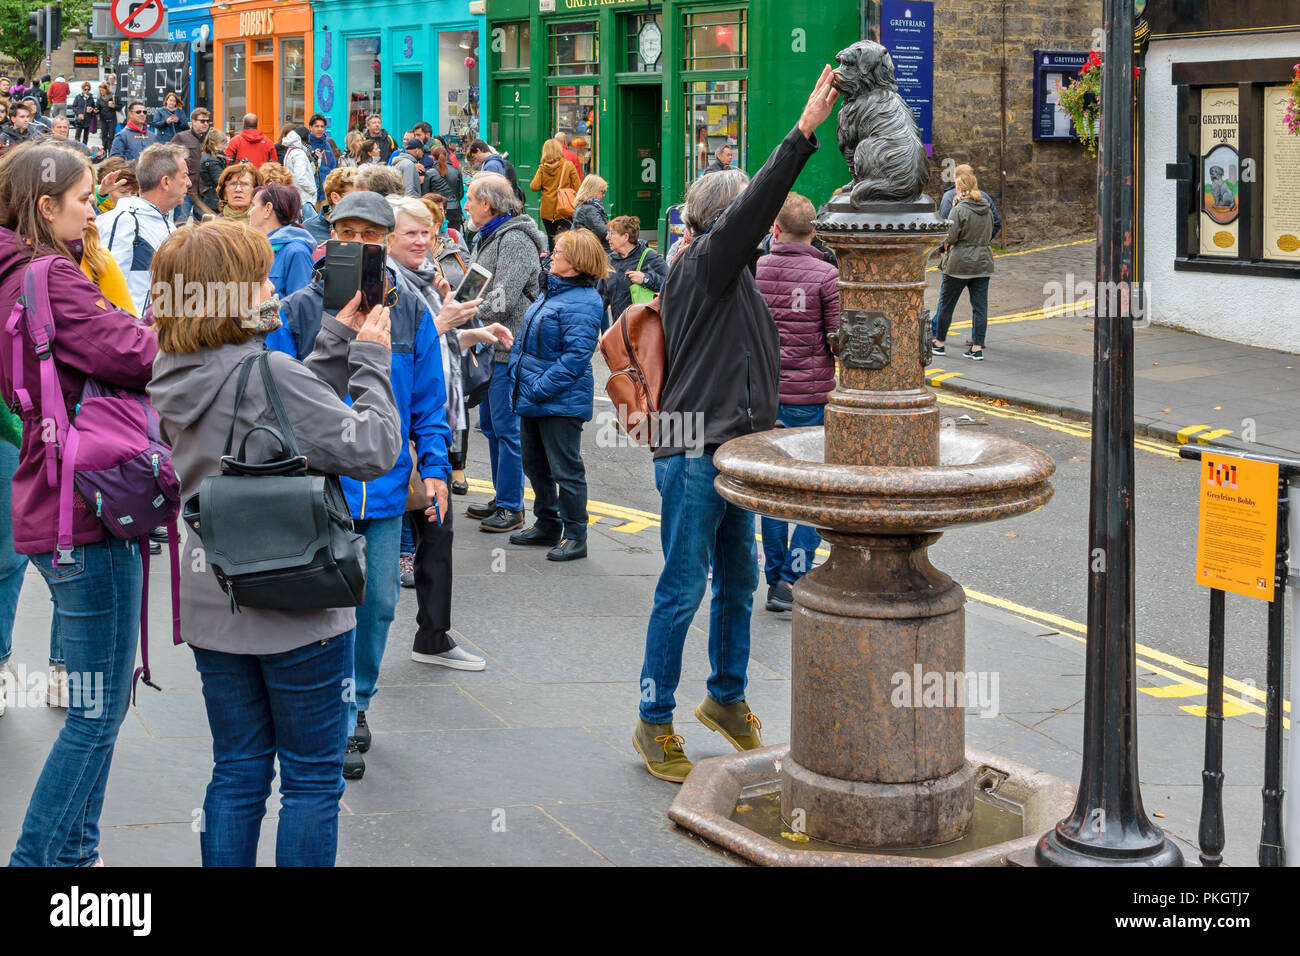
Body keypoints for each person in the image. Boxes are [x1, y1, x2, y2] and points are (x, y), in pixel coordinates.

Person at [147, 218, 402, 866]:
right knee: (312, 780)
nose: (269, 283)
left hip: (215, 602)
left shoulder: (173, 369)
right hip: (299, 603)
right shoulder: (270, 373)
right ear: (230, 292)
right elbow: (373, 448)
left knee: (236, 773)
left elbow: (273, 416)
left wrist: (338, 335)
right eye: (256, 275)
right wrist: (372, 358)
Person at [633, 66, 839, 783]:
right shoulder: (709, 267)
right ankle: (653, 719)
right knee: (683, 588)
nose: (765, 230)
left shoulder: (732, 277)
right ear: (729, 224)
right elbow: (755, 211)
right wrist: (804, 132)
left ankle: (725, 699)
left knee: (738, 583)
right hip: (695, 449)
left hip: (731, 451)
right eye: (752, 221)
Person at [0, 142, 159, 866]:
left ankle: (76, 855)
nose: (94, 211)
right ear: (44, 204)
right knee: (96, 713)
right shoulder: (50, 275)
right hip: (86, 507)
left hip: (52, 492)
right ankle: (40, 861)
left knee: (97, 707)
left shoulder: (13, 272)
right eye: (85, 198)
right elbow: (134, 352)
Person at [268, 191, 452, 781]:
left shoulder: (412, 312)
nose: (360, 246)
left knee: (378, 604)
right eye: (347, 232)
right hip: (314, 488)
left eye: (372, 236)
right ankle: (326, 710)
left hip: (386, 490)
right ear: (329, 237)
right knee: (318, 606)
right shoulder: (298, 309)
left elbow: (428, 401)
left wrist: (437, 468)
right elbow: (272, 395)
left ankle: (357, 703)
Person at [385, 195, 505, 668]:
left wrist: (476, 332)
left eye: (427, 233)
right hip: (405, 428)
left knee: (437, 534)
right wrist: (442, 321)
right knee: (411, 536)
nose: (422, 241)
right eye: (411, 233)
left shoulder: (424, 280)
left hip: (438, 422)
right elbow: (394, 353)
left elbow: (438, 345)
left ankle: (433, 637)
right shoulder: (388, 285)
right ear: (387, 238)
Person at [755, 191, 841, 612]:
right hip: (810, 398)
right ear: (815, 231)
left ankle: (774, 578)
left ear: (776, 229)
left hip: (766, 398)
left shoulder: (759, 268)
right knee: (811, 492)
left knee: (773, 490)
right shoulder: (826, 277)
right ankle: (793, 577)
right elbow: (839, 340)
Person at [507, 227, 607, 561]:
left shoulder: (585, 301)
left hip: (559, 400)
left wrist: (536, 387)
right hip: (536, 395)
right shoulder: (551, 291)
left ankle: (576, 534)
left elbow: (575, 359)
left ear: (577, 262)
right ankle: (547, 523)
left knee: (566, 469)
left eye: (559, 251)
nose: (552, 254)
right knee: (535, 465)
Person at [461, 172, 546, 534]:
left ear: (488, 203)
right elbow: (478, 287)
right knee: (494, 428)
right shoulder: (489, 235)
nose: (465, 205)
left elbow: (502, 298)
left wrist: (467, 310)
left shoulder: (514, 239)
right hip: (489, 344)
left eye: (470, 199)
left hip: (507, 345)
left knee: (507, 429)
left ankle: (512, 507)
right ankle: (501, 497)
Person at [96, 143, 189, 314]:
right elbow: (106, 296)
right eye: (184, 176)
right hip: (131, 335)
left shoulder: (166, 224)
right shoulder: (125, 220)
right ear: (166, 182)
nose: (189, 183)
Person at [931, 163, 1001, 342]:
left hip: (958, 262)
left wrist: (944, 250)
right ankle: (977, 345)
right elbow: (996, 223)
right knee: (980, 308)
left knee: (946, 304)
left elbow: (948, 233)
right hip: (983, 262)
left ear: (958, 183)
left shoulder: (953, 202)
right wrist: (981, 243)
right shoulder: (985, 201)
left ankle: (938, 340)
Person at [249, 182, 315, 298]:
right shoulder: (257, 250)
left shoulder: (296, 252)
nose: (249, 213)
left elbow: (301, 307)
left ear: (268, 209)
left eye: (253, 205)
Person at [601, 215, 667, 325]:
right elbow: (602, 296)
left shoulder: (649, 257)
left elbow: (671, 284)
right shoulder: (610, 260)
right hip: (619, 328)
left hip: (644, 329)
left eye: (612, 233)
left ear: (625, 237)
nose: (607, 237)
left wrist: (646, 280)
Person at [530, 138, 580, 248]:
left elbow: (534, 186)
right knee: (564, 242)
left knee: (551, 240)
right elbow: (578, 187)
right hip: (565, 209)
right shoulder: (568, 165)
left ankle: (553, 261)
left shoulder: (543, 168)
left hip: (547, 210)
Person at [172, 108, 212, 222]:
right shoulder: (181, 137)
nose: (206, 124)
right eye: (202, 121)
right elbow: (170, 159)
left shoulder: (210, 139)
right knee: (180, 223)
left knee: (203, 227)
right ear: (193, 121)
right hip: (186, 189)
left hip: (204, 190)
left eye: (207, 121)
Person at [310, 166, 360, 243]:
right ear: (335, 198)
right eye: (354, 197)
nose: (361, 202)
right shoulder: (309, 229)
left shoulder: (366, 229)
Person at [277, 124, 319, 212]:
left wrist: (314, 160)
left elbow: (308, 172)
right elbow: (301, 177)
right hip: (304, 199)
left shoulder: (291, 150)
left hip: (297, 197)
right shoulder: (299, 154)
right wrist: (313, 190)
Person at [423, 144, 464, 233]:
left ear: (433, 157)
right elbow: (460, 194)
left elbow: (425, 194)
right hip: (455, 209)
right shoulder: (456, 171)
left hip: (436, 209)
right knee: (454, 237)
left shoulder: (430, 173)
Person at [570, 174, 609, 250]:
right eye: (603, 191)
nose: (604, 195)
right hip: (596, 250)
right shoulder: (589, 209)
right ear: (594, 190)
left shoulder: (585, 205)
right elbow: (602, 231)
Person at [196, 129, 229, 218]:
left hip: (211, 198)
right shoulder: (211, 160)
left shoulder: (212, 157)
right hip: (213, 200)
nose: (225, 146)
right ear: (214, 144)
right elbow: (219, 181)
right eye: (223, 143)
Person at [308, 113, 339, 202]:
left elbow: (333, 167)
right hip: (312, 193)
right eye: (316, 126)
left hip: (326, 192)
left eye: (322, 126)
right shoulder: (307, 145)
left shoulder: (327, 145)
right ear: (310, 127)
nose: (320, 129)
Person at [71, 82, 97, 146]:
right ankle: (76, 150)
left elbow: (94, 107)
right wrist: (79, 114)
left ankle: (84, 151)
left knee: (85, 138)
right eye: (85, 89)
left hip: (88, 120)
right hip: (79, 120)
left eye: (88, 89)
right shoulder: (78, 97)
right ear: (82, 89)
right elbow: (74, 107)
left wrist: (92, 110)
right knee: (77, 137)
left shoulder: (91, 98)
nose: (87, 91)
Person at [96, 84, 117, 155]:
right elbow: (97, 107)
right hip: (103, 120)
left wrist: (114, 106)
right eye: (100, 90)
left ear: (106, 90)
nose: (101, 92)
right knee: (104, 137)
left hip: (112, 119)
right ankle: (104, 154)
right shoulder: (99, 98)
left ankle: (111, 154)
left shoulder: (113, 96)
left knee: (111, 137)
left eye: (102, 90)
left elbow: (120, 106)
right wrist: (96, 110)